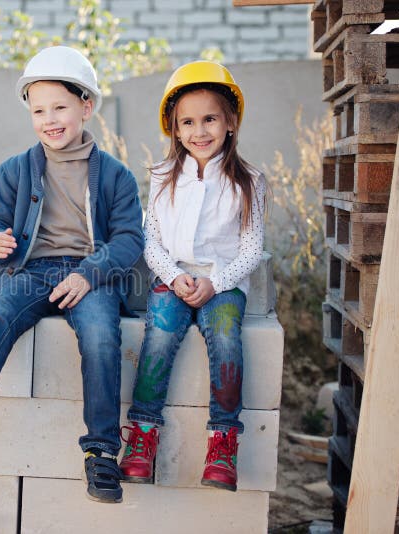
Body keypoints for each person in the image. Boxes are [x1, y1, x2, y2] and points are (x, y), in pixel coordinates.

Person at [0, 45, 144, 504]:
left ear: (86, 106)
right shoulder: (15, 170)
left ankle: (101, 452)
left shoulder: (117, 176)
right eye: (38, 109)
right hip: (32, 269)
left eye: (60, 106)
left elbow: (128, 240)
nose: (50, 118)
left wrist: (90, 274)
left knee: (103, 337)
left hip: (90, 275)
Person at [118, 61, 266, 492]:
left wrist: (215, 284)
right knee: (160, 332)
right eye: (187, 121)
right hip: (174, 278)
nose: (199, 130)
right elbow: (152, 242)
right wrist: (174, 276)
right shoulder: (163, 178)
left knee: (224, 337)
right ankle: (143, 436)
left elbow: (251, 249)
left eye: (210, 119)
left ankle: (223, 442)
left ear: (230, 122)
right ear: (174, 129)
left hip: (223, 282)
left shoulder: (249, 182)